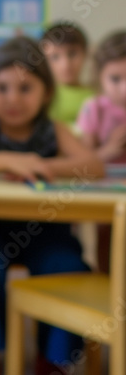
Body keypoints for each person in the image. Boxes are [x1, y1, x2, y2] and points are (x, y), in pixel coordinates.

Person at [0, 37, 104, 375]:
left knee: (66, 265)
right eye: (1, 88)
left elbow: (93, 166)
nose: (13, 99)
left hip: (45, 231)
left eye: (25, 88)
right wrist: (12, 160)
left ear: (46, 92)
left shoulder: (53, 129)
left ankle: (55, 357)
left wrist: (44, 165)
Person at [77, 30, 126, 274]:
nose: (124, 88)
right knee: (106, 234)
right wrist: (109, 149)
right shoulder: (94, 108)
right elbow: (84, 160)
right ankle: (105, 283)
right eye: (115, 79)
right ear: (100, 77)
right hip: (104, 185)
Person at [40, 21, 94, 127]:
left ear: (86, 53)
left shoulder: (97, 96)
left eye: (72, 54)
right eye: (55, 57)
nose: (65, 65)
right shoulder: (43, 94)